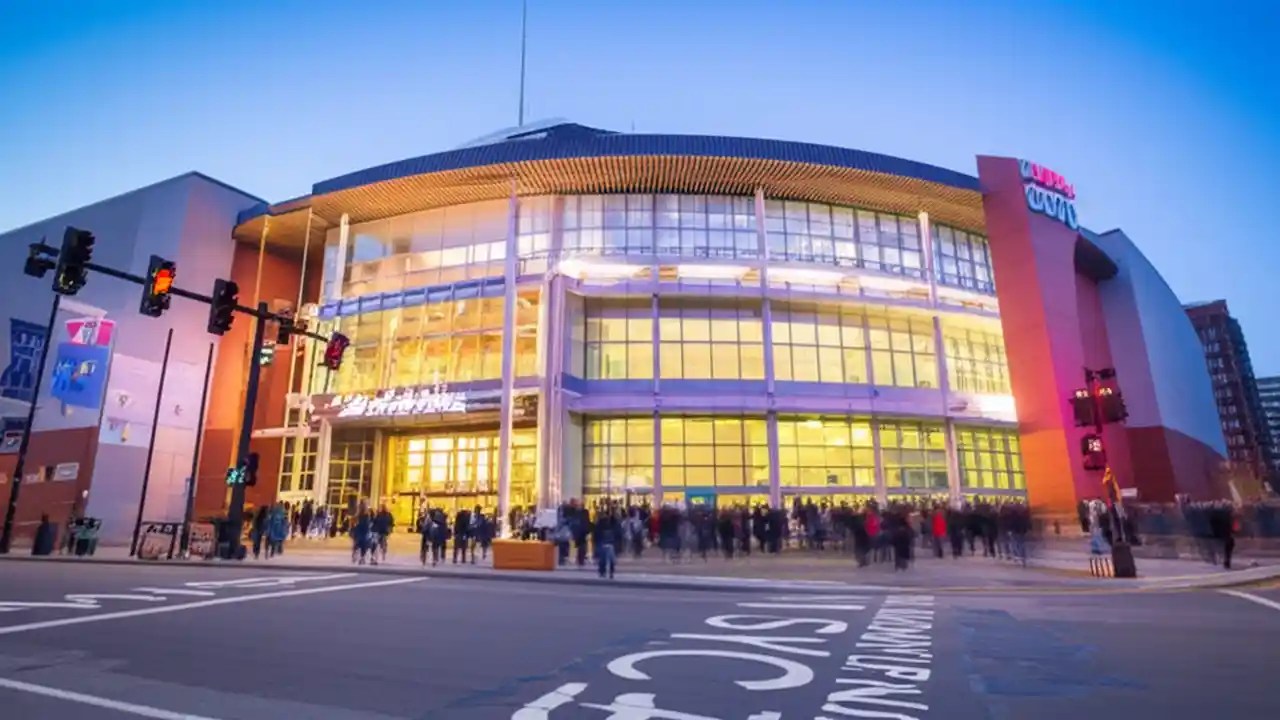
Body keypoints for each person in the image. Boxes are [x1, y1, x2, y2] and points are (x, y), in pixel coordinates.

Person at [594, 511, 620, 579]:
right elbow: (618, 533)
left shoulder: (600, 523)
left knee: (603, 559)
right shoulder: (613, 523)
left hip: (604, 542)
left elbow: (596, 534)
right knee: (611, 559)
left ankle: (603, 571)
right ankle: (609, 572)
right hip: (610, 542)